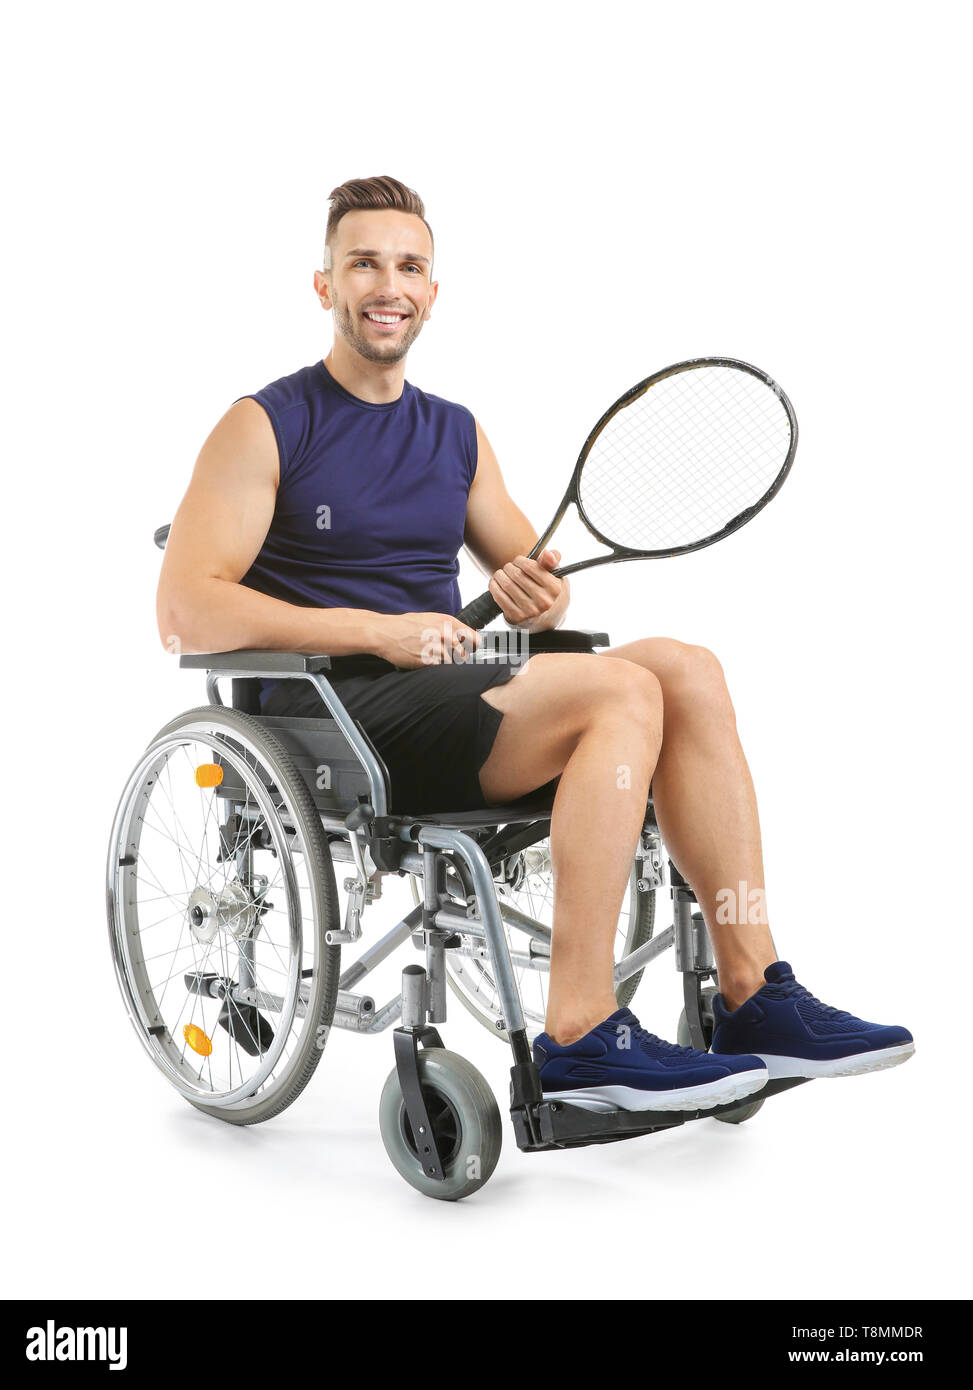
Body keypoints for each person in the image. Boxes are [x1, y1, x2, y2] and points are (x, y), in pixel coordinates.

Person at [156, 174, 913, 1114]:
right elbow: (185, 611)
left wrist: (531, 591)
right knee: (620, 694)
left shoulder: (455, 432)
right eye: (363, 263)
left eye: (409, 266)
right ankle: (580, 1031)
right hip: (335, 713)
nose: (387, 284)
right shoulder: (266, 423)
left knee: (684, 667)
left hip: (455, 680)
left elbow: (533, 589)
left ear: (432, 291)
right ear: (324, 286)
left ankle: (753, 992)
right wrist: (374, 632)